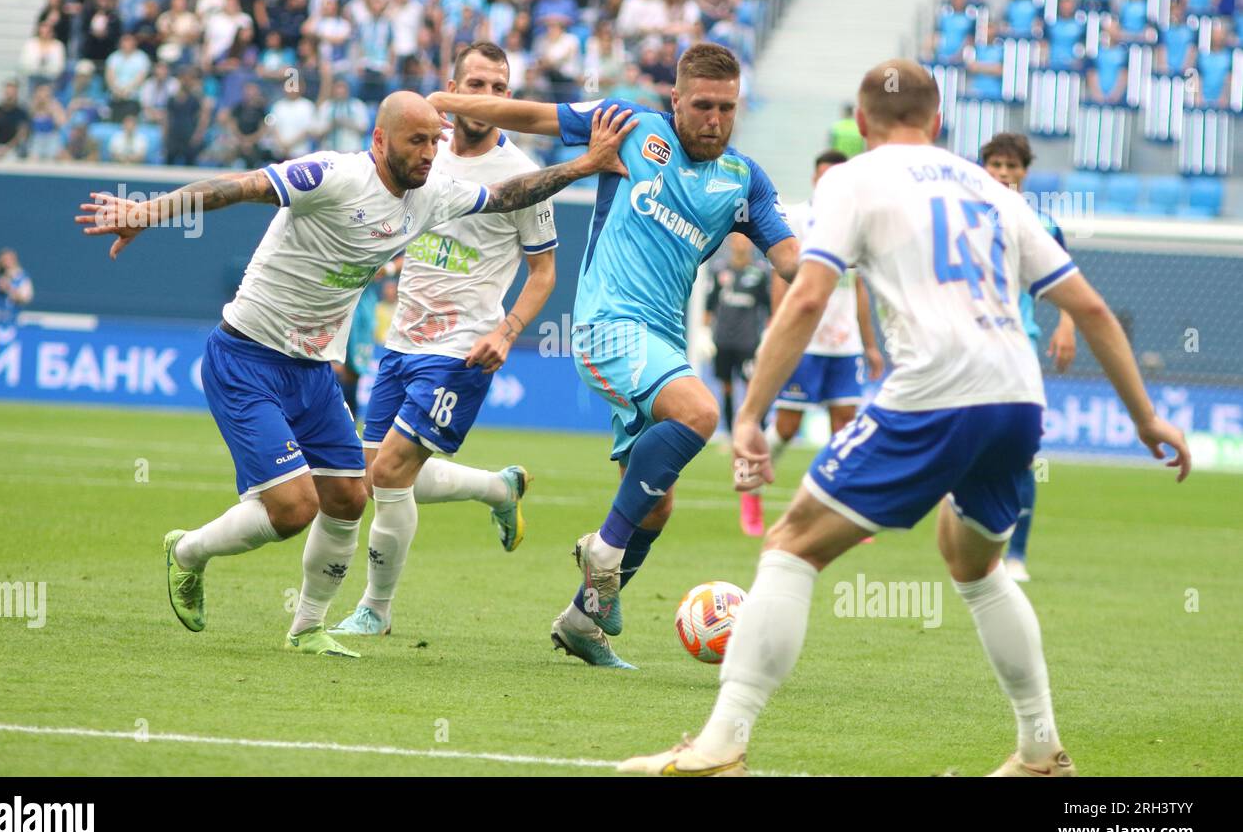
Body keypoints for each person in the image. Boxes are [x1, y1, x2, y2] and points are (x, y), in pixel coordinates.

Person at [617, 58, 1190, 777]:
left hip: (935, 391)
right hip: (1016, 399)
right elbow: (1094, 310)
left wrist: (752, 414)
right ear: (939, 123)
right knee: (973, 562)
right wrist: (1146, 421)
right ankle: (1041, 750)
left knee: (791, 544)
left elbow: (803, 299)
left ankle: (719, 746)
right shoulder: (993, 190)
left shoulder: (851, 180)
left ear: (860, 126)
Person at [77, 89, 636, 658]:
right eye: (416, 141)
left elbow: (506, 194)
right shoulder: (332, 176)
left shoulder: (432, 193)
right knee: (295, 507)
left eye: (434, 142)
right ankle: (187, 553)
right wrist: (148, 212)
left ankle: (307, 628)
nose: (428, 153)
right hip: (247, 356)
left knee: (349, 496)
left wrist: (586, 165)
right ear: (379, 139)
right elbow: (236, 187)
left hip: (314, 371)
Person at [428, 42, 800, 669]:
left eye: (727, 108)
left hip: (663, 342)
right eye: (702, 105)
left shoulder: (744, 182)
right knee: (699, 414)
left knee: (655, 501)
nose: (714, 119)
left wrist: (852, 258)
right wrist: (443, 101)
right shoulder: (631, 126)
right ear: (675, 100)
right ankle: (603, 552)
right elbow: (535, 115)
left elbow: (792, 259)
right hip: (606, 326)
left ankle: (581, 621)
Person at [329, 42, 560, 638]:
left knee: (392, 473)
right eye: (476, 84)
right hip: (403, 338)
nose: (488, 98)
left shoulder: (524, 173)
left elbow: (544, 273)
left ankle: (375, 611)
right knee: (375, 471)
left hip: (464, 347)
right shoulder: (422, 153)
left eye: (500, 88)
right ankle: (497, 488)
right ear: (451, 90)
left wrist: (507, 332)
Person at [755, 149, 883, 538]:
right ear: (815, 180)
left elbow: (858, 287)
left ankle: (842, 509)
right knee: (789, 426)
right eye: (824, 176)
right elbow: (782, 275)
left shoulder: (856, 224)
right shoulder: (796, 218)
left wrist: (870, 344)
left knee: (845, 430)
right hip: (804, 341)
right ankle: (754, 485)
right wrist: (781, 328)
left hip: (844, 346)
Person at [979, 132, 1076, 582]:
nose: (1003, 173)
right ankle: (981, 549)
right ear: (983, 168)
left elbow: (1066, 283)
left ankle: (1015, 555)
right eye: (996, 164)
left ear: (1024, 172)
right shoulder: (963, 218)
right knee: (969, 450)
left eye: (1011, 166)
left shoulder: (1043, 224)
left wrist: (1068, 325)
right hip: (969, 348)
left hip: (1020, 347)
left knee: (1021, 454)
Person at [705, 232, 770, 441]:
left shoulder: (759, 273)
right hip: (723, 339)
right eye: (737, 240)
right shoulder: (720, 271)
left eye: (745, 240)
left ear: (751, 243)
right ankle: (732, 435)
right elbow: (709, 306)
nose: (741, 244)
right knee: (726, 386)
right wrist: (704, 333)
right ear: (731, 243)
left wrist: (768, 334)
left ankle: (758, 431)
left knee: (752, 387)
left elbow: (769, 308)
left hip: (748, 341)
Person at [0, 82, 30, 161]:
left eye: (12, 93)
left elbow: (22, 134)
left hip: (12, 149)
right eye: (8, 93)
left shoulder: (22, 113)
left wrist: (6, 149)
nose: (10, 96)